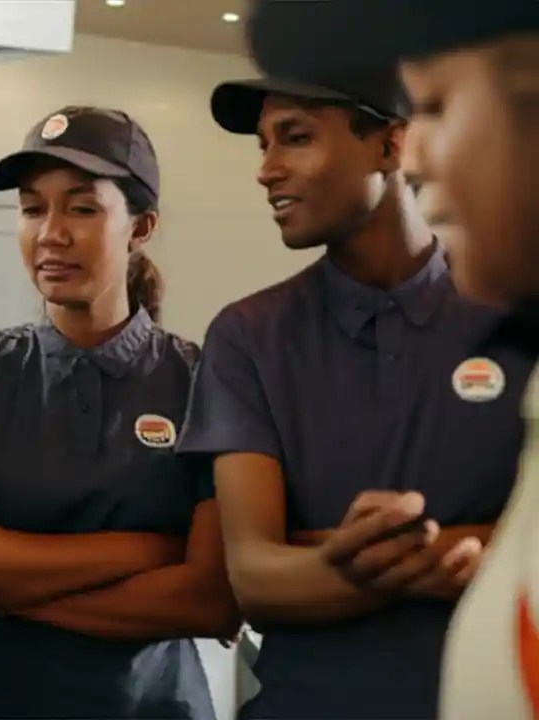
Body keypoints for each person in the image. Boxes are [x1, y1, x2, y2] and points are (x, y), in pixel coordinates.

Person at [176, 68, 534, 719]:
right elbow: (254, 578)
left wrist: (326, 554)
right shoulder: (247, 336)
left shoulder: (509, 309)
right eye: (264, 145)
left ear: (392, 146)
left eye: (295, 137)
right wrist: (469, 544)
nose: (267, 169)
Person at [0, 106, 239, 720]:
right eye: (33, 208)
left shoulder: (198, 380)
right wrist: (152, 550)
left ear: (141, 226)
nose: (51, 232)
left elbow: (209, 598)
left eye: (82, 208)